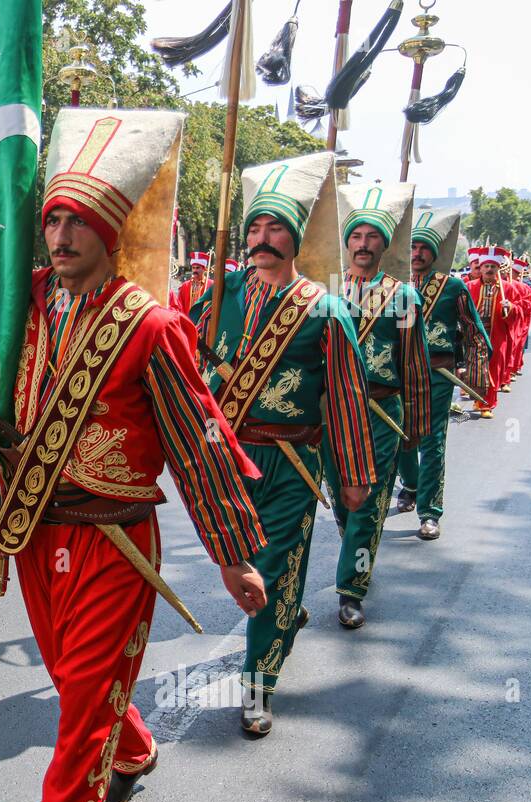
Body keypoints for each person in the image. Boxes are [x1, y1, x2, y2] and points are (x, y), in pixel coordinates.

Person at [0, 108, 267, 802]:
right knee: (77, 684)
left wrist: (232, 555)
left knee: (76, 720)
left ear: (111, 231)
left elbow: (198, 444)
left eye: (78, 223)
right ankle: (132, 745)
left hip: (115, 541)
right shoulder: (14, 304)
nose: (62, 237)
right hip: (33, 532)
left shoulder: (152, 326)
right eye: (53, 221)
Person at [192, 151, 377, 733]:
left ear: (295, 239)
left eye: (275, 229)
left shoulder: (324, 310)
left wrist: (352, 475)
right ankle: (282, 616)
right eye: (255, 227)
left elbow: (346, 398)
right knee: (242, 568)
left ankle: (257, 684)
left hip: (292, 461)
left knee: (273, 571)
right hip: (226, 460)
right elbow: (185, 365)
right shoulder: (220, 296)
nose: (262, 238)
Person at [324, 183, 430, 629]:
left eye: (372, 238)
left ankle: (351, 590)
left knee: (367, 504)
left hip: (382, 415)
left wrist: (417, 421)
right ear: (346, 243)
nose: (363, 245)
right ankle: (359, 551)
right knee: (341, 502)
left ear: (385, 246)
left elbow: (414, 362)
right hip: (332, 413)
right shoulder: (324, 292)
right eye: (356, 236)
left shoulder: (404, 297)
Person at [396, 208, 491, 539]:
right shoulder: (393, 287)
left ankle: (430, 512)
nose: (418, 253)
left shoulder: (453, 287)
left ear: (434, 254)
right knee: (401, 436)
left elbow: (475, 332)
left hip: (438, 375)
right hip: (399, 375)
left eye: (424, 248)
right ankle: (409, 485)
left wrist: (474, 373)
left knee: (432, 441)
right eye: (413, 247)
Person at [466, 247, 515, 420]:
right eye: (486, 266)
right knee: (476, 368)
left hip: (496, 333)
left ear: (497, 269)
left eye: (492, 267)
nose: (488, 269)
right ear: (481, 267)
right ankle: (478, 398)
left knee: (493, 368)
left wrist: (510, 308)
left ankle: (487, 404)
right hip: (475, 333)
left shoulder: (507, 288)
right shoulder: (469, 286)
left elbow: (517, 314)